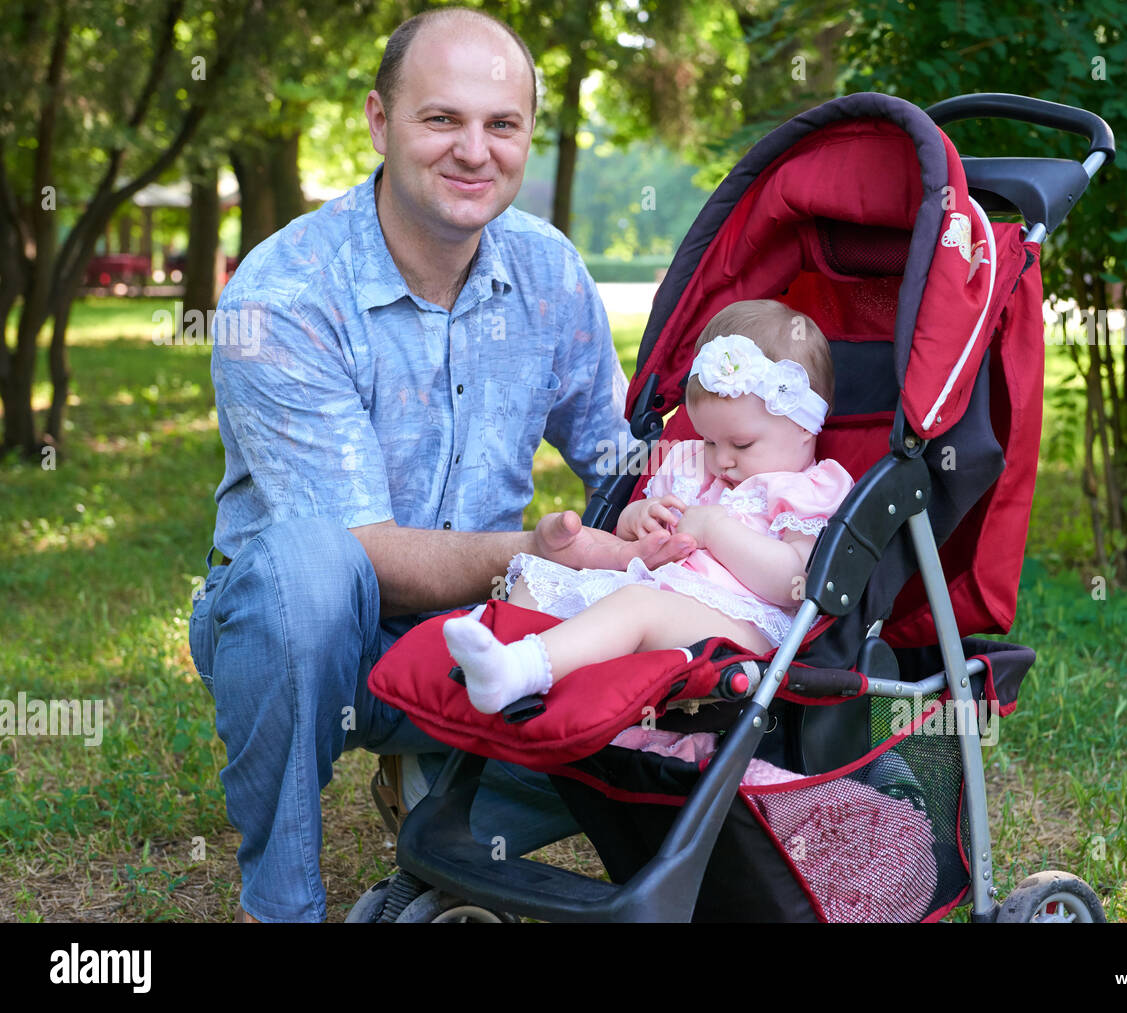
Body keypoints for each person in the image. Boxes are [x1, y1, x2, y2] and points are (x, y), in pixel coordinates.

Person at [188, 7, 690, 923]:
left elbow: (619, 456)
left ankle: (435, 818)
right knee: (309, 570)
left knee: (658, 690)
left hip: (472, 635)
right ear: (381, 122)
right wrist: (532, 551)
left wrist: (725, 488)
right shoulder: (284, 295)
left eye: (502, 125)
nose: (475, 151)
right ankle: (284, 905)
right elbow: (361, 549)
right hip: (310, 633)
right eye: (442, 119)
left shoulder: (547, 270)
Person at [444, 300, 855, 714]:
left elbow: (793, 584)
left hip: (743, 625)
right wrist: (636, 520)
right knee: (540, 579)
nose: (722, 459)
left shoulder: (808, 489)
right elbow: (630, 536)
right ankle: (496, 651)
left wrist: (716, 530)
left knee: (637, 606)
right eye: (710, 441)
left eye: (741, 444)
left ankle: (520, 671)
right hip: (655, 589)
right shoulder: (691, 462)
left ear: (805, 427)